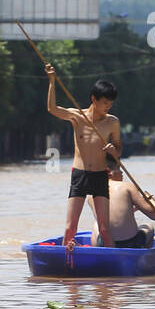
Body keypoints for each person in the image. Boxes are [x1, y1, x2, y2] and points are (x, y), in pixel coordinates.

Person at [45, 65, 120, 249]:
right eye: (104, 103)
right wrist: (52, 81)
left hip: (100, 175)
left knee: (104, 228)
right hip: (80, 174)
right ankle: (65, 262)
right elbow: (52, 109)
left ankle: (113, 263)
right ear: (93, 99)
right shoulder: (77, 117)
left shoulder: (112, 122)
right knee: (71, 228)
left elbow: (119, 150)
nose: (107, 107)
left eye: (110, 104)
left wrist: (113, 150)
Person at [92, 155, 155, 248]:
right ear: (108, 172)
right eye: (118, 169)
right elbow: (150, 213)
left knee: (96, 225)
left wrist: (135, 207)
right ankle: (142, 255)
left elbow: (111, 214)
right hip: (130, 243)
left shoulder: (93, 192)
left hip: (105, 243)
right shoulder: (127, 187)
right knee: (149, 226)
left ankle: (98, 252)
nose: (122, 173)